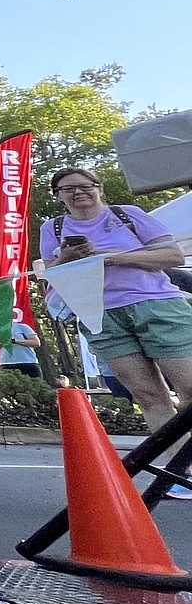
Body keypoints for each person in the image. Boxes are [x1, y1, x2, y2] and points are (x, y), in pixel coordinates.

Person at [40, 167, 192, 431]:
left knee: (189, 388)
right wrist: (67, 258)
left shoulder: (128, 214)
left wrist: (112, 257)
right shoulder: (52, 227)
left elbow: (173, 256)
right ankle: (178, 469)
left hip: (156, 304)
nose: (79, 192)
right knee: (148, 396)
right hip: (98, 315)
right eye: (68, 189)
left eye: (86, 186)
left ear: (99, 189)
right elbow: (52, 274)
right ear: (58, 196)